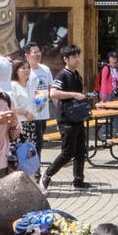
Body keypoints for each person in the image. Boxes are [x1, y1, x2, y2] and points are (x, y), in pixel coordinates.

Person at [40, 44, 88, 193]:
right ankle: (47, 174)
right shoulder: (62, 75)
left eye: (78, 56)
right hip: (66, 119)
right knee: (68, 152)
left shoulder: (76, 75)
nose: (77, 59)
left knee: (81, 150)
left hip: (78, 118)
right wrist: (73, 95)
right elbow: (53, 93)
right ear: (66, 59)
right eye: (74, 57)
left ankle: (78, 180)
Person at [24, 42, 54, 166]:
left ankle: (36, 170)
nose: (37, 54)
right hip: (30, 115)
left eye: (38, 51)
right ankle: (33, 170)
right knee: (33, 143)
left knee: (40, 143)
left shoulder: (45, 69)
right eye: (34, 52)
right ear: (27, 55)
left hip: (43, 113)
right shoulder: (25, 71)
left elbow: (50, 88)